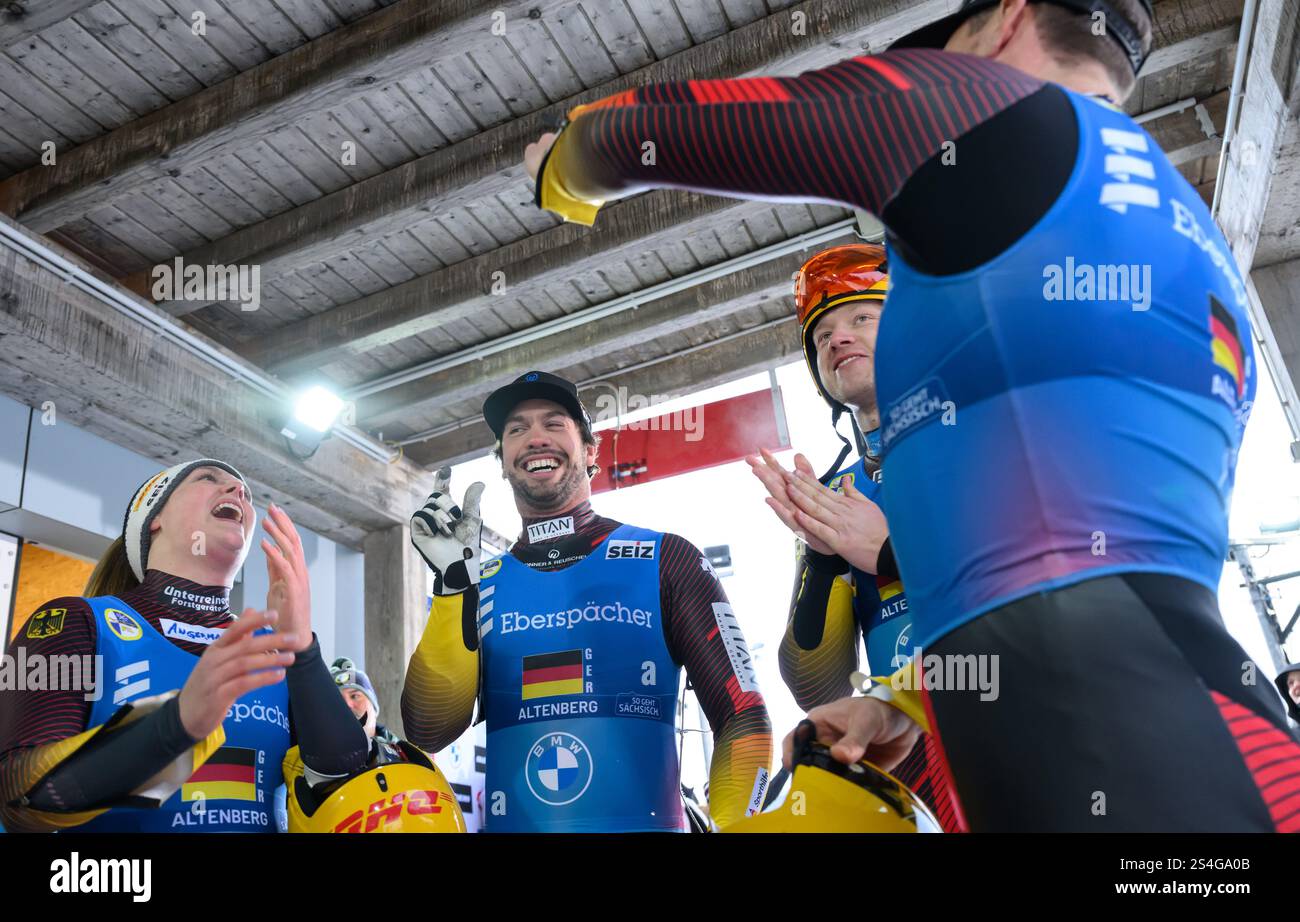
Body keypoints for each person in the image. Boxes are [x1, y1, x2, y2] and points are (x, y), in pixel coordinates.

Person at [522, 0, 1300, 831]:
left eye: (953, 47)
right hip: (1174, 732)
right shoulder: (1184, 232)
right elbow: (1068, 543)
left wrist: (566, 161)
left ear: (1008, 18)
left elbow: (716, 125)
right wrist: (908, 703)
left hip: (1111, 759)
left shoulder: (1003, 116)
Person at [400, 370, 773, 831]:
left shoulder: (665, 558)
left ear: (590, 450)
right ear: (502, 461)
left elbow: (745, 717)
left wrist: (736, 826)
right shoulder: (479, 585)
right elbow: (427, 730)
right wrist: (454, 590)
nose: (535, 438)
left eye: (554, 424)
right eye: (517, 430)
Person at [0, 459, 368, 832]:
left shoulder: (272, 649)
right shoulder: (72, 621)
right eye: (208, 478)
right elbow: (16, 795)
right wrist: (175, 725)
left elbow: (344, 772)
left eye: (245, 492)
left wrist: (302, 646)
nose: (238, 491)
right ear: (154, 518)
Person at [749, 243, 961, 832]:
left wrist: (891, 554)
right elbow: (815, 683)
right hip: (895, 739)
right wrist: (823, 560)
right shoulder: (835, 495)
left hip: (1013, 720)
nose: (836, 338)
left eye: (862, 319)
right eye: (822, 337)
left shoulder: (985, 435)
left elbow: (1052, 587)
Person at [282, 657, 465, 833]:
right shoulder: (306, 761)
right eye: (337, 701)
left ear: (374, 706)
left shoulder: (409, 755)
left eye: (355, 695)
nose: (346, 704)